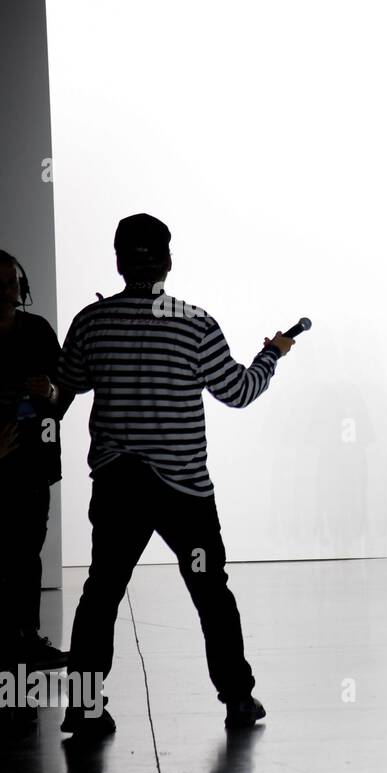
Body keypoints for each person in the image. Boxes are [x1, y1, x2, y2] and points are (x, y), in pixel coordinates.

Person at [55, 213, 295, 736]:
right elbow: (238, 392)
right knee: (211, 592)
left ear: (118, 261)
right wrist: (271, 355)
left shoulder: (91, 323)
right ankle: (237, 699)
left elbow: (64, 387)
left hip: (118, 483)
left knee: (101, 592)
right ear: (167, 260)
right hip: (182, 489)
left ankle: (82, 706)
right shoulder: (194, 321)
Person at [0, 249, 67, 672]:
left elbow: (65, 394)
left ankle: (26, 637)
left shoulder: (37, 331)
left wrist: (51, 392)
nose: (6, 291)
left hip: (32, 466)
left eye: (10, 282)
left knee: (27, 553)